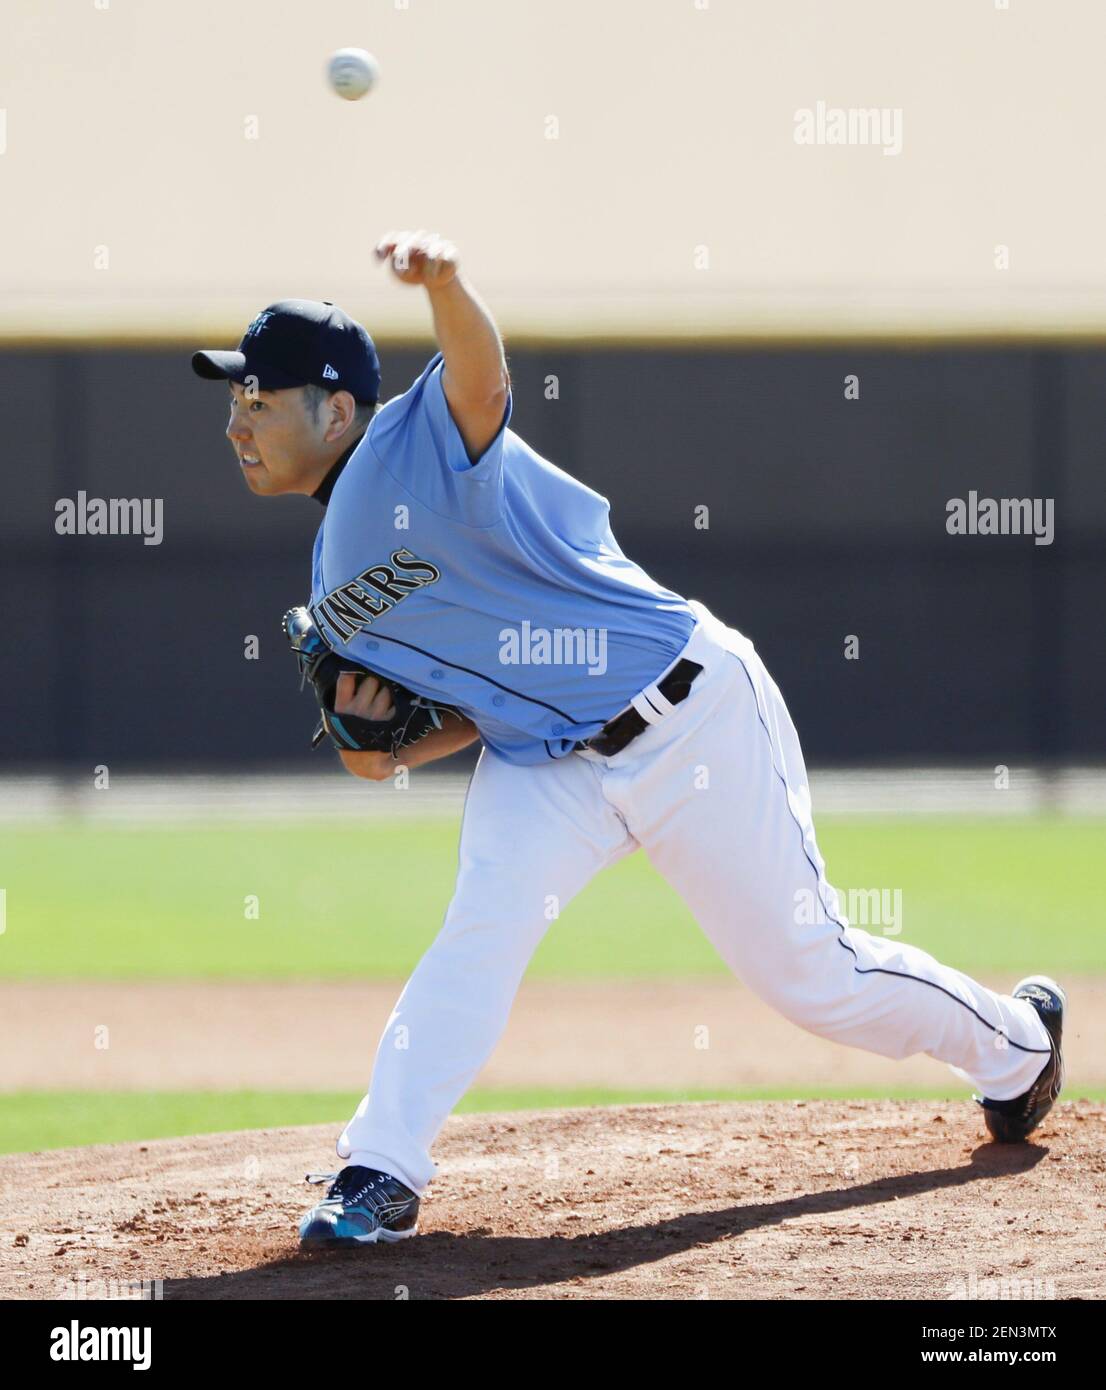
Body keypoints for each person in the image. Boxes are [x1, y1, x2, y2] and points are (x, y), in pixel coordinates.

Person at [192, 230, 1066, 1249]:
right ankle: (378, 1167)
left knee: (811, 976)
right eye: (232, 400)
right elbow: (428, 723)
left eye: (258, 398)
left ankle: (1016, 1044)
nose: (236, 422)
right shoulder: (332, 595)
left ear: (335, 409)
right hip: (545, 760)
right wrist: (379, 753)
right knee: (477, 933)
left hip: (688, 714)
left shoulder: (410, 442)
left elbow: (480, 380)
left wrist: (445, 285)